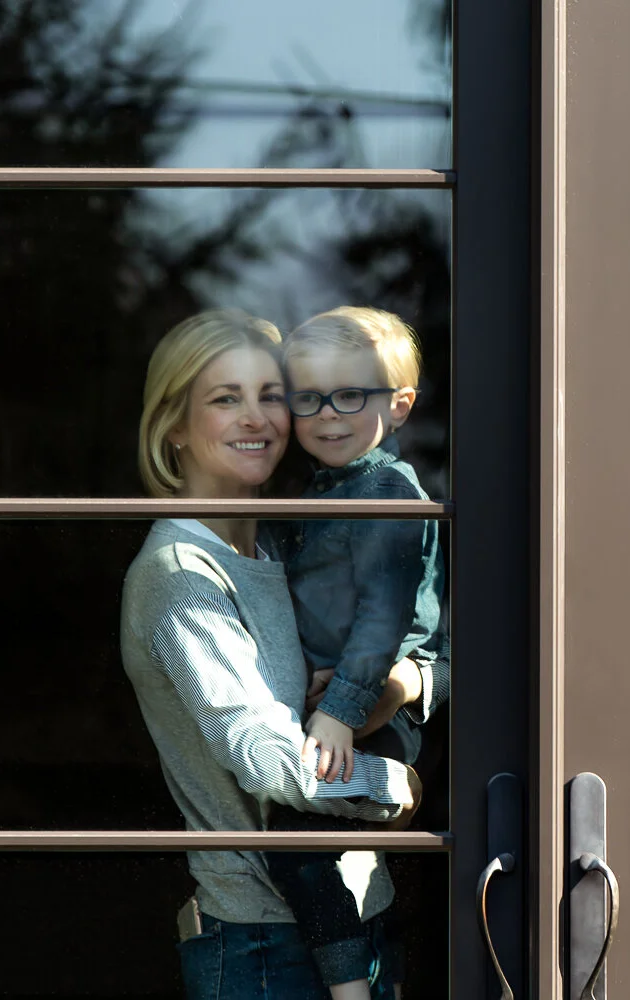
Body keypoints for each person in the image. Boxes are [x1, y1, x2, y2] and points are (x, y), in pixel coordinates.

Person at [120, 310, 433, 1000]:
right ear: (174, 426)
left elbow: (418, 626)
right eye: (225, 398)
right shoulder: (180, 573)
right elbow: (265, 758)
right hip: (263, 944)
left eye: (270, 395)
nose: (256, 417)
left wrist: (410, 680)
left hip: (365, 915)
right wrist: (398, 788)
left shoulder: (286, 543)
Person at [261, 306, 448, 1000]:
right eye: (308, 398)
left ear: (399, 406)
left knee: (297, 843)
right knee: (319, 852)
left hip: (375, 711)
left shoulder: (388, 490)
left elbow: (383, 616)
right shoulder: (320, 490)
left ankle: (350, 989)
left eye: (349, 396)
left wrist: (342, 710)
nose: (327, 416)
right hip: (335, 702)